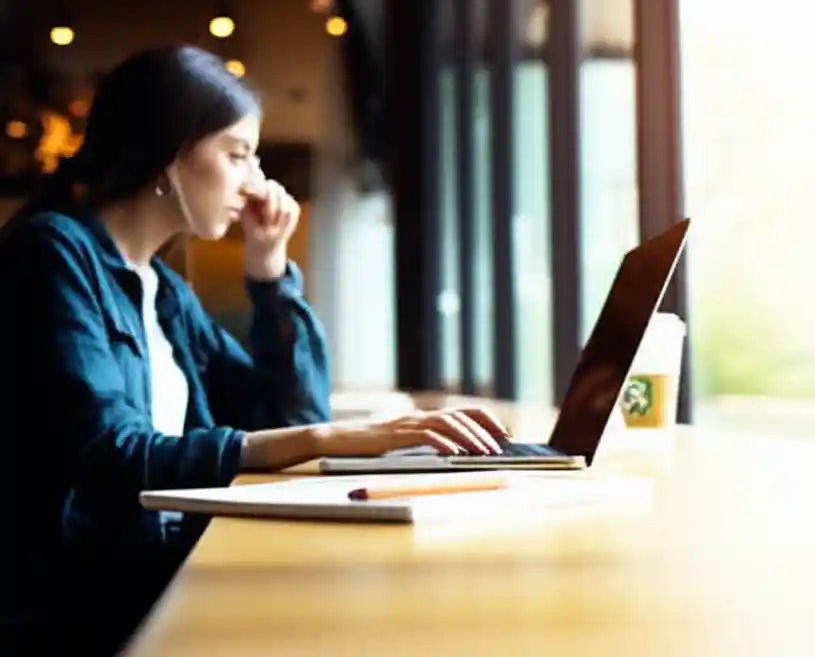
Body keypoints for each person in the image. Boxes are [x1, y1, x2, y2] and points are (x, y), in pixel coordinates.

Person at [0, 45, 509, 654]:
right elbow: (110, 452)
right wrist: (329, 441)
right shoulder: (53, 252)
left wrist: (270, 274)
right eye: (237, 155)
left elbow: (290, 416)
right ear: (167, 152)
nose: (256, 183)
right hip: (73, 610)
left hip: (145, 582)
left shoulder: (164, 294)